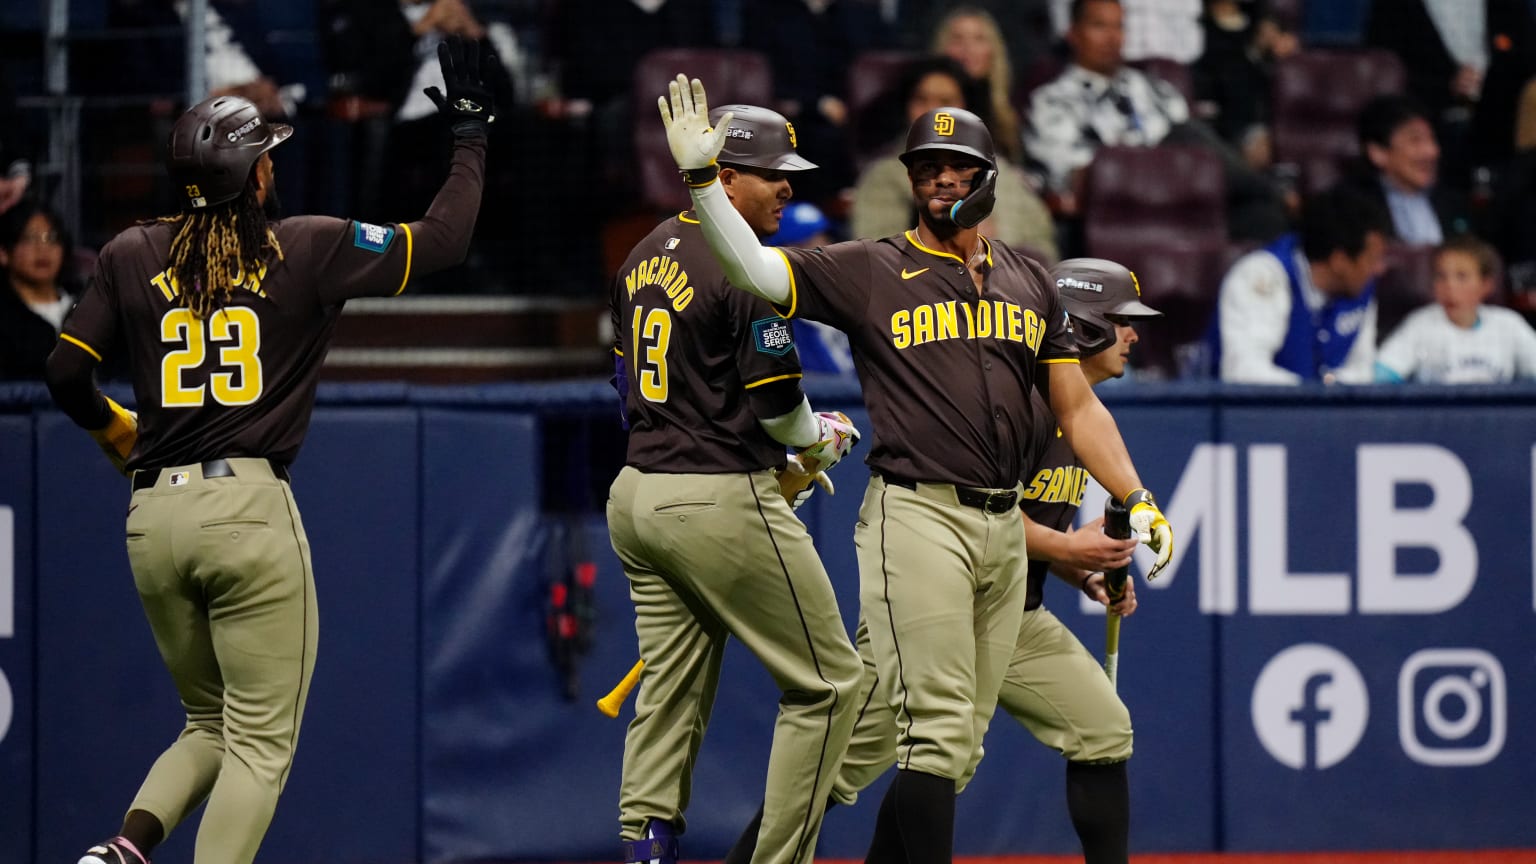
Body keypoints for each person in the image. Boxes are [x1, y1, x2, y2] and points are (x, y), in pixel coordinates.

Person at [659, 77, 1174, 864]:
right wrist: (704, 187)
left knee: (955, 750)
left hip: (1001, 529)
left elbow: (1079, 407)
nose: (940, 177)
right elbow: (762, 274)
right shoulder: (871, 267)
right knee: (931, 734)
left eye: (958, 166)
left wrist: (1134, 496)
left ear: (989, 177)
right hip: (918, 513)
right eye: (927, 165)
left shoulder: (1032, 279)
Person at [46, 36, 497, 864]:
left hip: (154, 515)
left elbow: (65, 372)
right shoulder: (305, 246)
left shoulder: (129, 250)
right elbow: (443, 239)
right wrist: (470, 136)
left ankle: (125, 846)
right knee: (259, 742)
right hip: (246, 508)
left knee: (209, 722)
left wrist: (118, 434)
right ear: (255, 174)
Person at [722, 258, 1159, 864]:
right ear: (1081, 326)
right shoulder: (1021, 400)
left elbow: (1027, 522)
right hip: (939, 606)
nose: (1135, 335)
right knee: (834, 774)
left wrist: (1080, 570)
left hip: (1013, 613)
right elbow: (983, 513)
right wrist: (1066, 548)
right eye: (1120, 320)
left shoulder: (1082, 416)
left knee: (1100, 730)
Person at [607, 102, 864, 864]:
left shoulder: (640, 254)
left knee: (671, 695)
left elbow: (626, 381)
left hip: (638, 494)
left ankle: (645, 850)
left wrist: (781, 443)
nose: (786, 190)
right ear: (722, 175)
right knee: (830, 688)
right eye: (772, 175)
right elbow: (781, 401)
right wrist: (817, 439)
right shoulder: (741, 260)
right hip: (716, 494)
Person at [1026, 0, 1287, 245]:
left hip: (1184, 198)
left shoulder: (1154, 87)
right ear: (1073, 33)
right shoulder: (1052, 100)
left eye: (1119, 26)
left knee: (1263, 217)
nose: (1112, 37)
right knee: (1188, 135)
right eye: (1099, 26)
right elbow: (1075, 175)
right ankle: (1272, 190)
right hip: (1120, 203)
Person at [852, 56, 1058, 260]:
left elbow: (1041, 248)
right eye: (921, 100)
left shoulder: (999, 172)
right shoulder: (884, 175)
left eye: (945, 102)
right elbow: (877, 256)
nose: (933, 111)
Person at [1213, 185, 1391, 384]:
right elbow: (1244, 373)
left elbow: (1361, 371)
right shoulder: (1262, 275)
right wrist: (1315, 396)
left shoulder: (1361, 289)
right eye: (1372, 259)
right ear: (1339, 261)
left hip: (1318, 412)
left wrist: (1328, 391)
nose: (1379, 269)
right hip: (1230, 413)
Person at [1376, 234, 1536, 383]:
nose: (1450, 286)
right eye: (1441, 276)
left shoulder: (1509, 324)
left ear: (1486, 285)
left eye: (1462, 276)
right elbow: (1378, 379)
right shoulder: (1419, 325)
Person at [1344, 94, 1471, 246]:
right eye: (1415, 140)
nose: (1431, 151)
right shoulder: (1353, 209)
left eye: (1432, 139)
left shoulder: (1454, 204)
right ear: (1377, 153)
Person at [931, 6, 1024, 163]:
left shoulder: (1008, 116)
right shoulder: (924, 106)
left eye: (979, 39)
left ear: (993, 51)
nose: (968, 49)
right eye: (957, 39)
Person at [0, 202, 80, 380]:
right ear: (4, 253)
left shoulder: (91, 306)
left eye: (51, 238)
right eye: (30, 238)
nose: (43, 249)